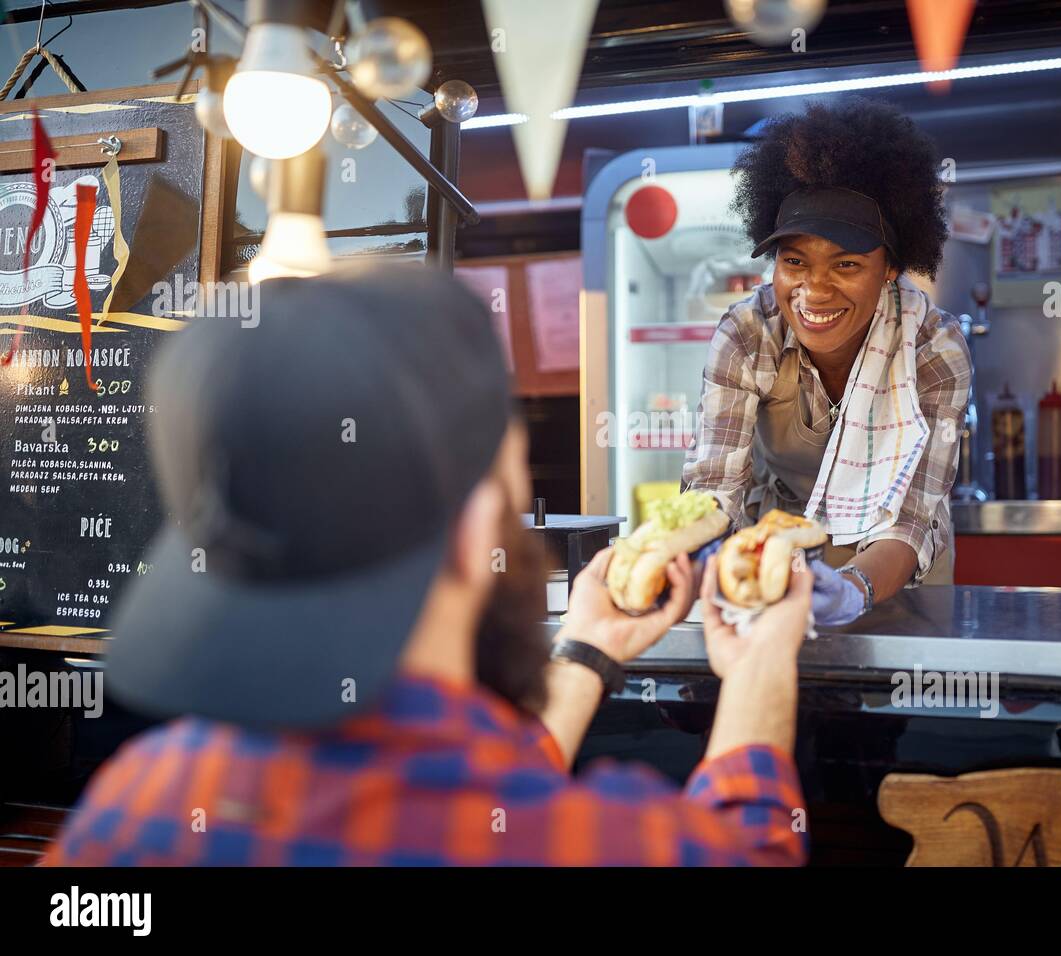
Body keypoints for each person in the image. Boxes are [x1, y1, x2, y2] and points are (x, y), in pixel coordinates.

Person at [45, 263, 810, 867]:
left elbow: (452, 795)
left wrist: (587, 650)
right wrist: (759, 665)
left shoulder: (134, 806)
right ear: (478, 530)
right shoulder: (605, 842)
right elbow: (754, 848)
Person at [682, 97, 972, 624]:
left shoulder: (933, 350)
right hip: (778, 563)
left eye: (846, 263)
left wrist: (852, 589)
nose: (814, 291)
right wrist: (676, 557)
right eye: (794, 261)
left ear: (892, 267)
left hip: (897, 577)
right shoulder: (749, 334)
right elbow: (714, 490)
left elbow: (909, 521)